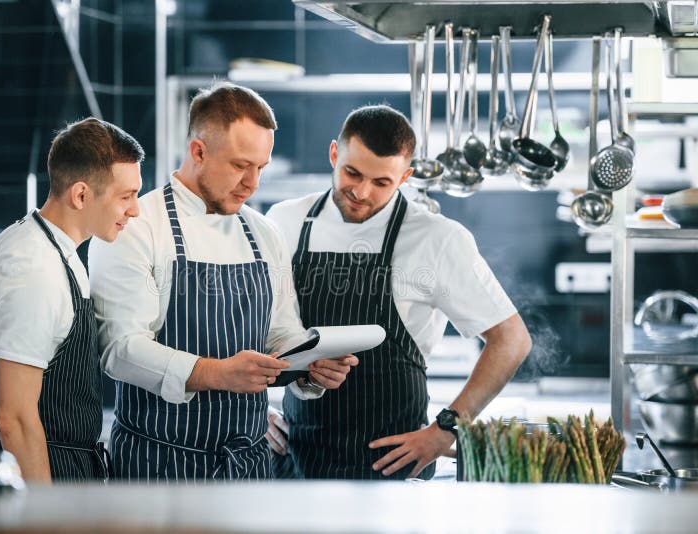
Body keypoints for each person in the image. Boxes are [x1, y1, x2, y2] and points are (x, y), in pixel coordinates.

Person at [88, 82, 358, 482]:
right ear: (199, 151)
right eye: (240, 165)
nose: (253, 184)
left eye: (261, 168)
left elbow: (282, 331)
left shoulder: (263, 233)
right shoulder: (135, 225)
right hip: (160, 467)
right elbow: (119, 349)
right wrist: (216, 373)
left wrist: (308, 368)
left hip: (248, 468)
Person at [265, 105, 532, 480]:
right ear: (333, 154)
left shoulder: (438, 238)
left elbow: (511, 339)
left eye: (381, 183)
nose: (360, 192)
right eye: (351, 172)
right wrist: (252, 407)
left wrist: (444, 431)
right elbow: (249, 321)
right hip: (299, 460)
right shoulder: (284, 221)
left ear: (405, 177)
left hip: (391, 467)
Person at [0, 118, 144, 483]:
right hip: (45, 465)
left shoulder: (41, 243)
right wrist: (45, 514)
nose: (135, 210)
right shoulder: (36, 268)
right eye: (126, 196)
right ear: (80, 195)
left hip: (61, 460)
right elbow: (14, 417)